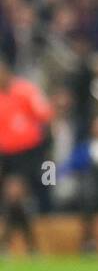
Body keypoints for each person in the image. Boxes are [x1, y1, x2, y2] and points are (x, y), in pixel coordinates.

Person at [0, 54, 52, 255]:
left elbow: (45, 115)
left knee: (13, 195)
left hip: (27, 153)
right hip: (6, 155)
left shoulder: (25, 91)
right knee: (15, 202)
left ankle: (5, 244)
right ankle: (32, 247)